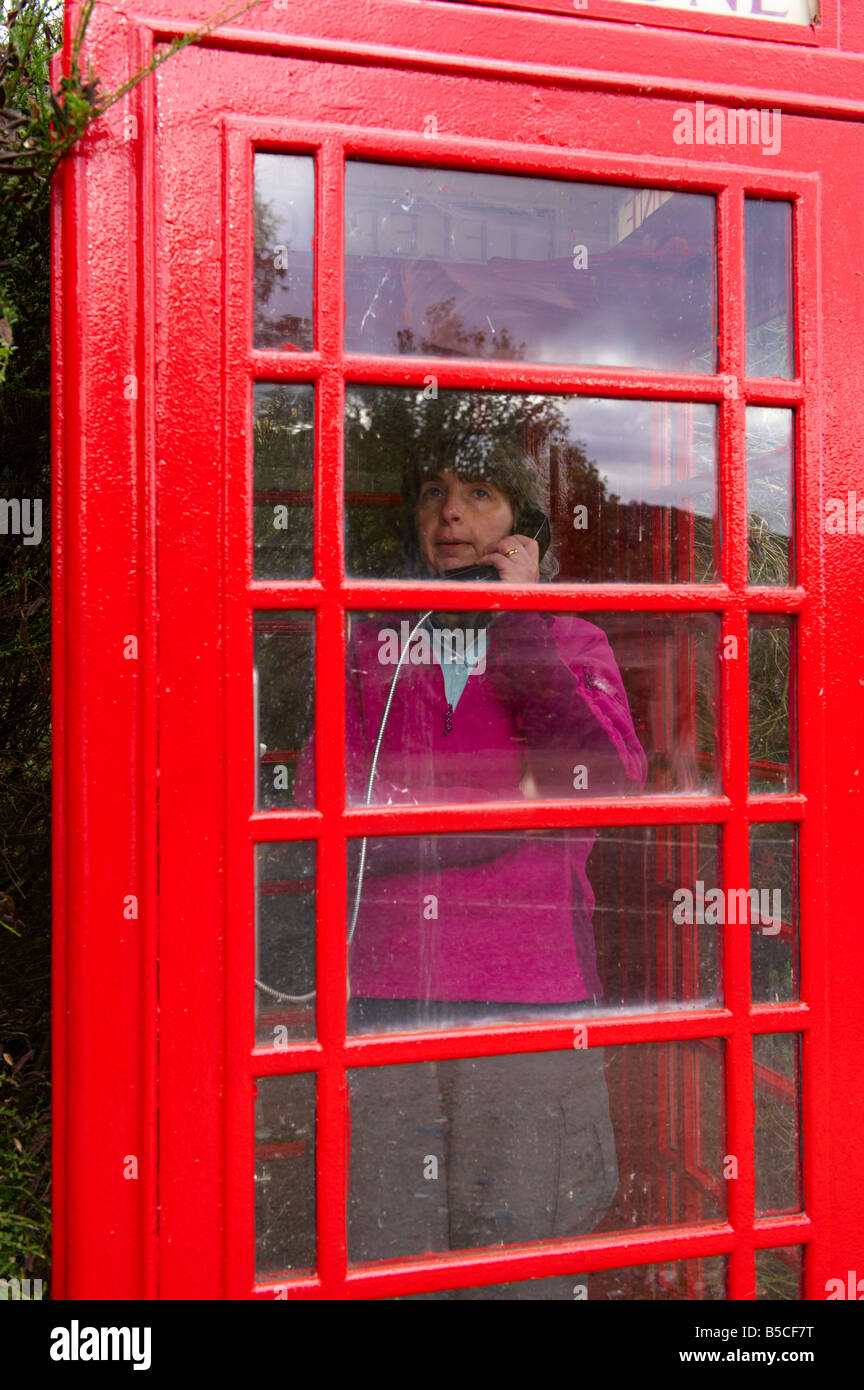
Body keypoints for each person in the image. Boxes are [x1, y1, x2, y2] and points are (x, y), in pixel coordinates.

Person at [295, 442, 647, 1296]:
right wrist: (505, 821)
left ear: (523, 532)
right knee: (389, 1249)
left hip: (531, 993)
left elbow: (608, 784)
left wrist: (521, 626)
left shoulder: (570, 637)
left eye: (478, 494)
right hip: (387, 991)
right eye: (432, 491)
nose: (448, 513)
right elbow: (319, 805)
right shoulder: (374, 637)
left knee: (519, 1255)